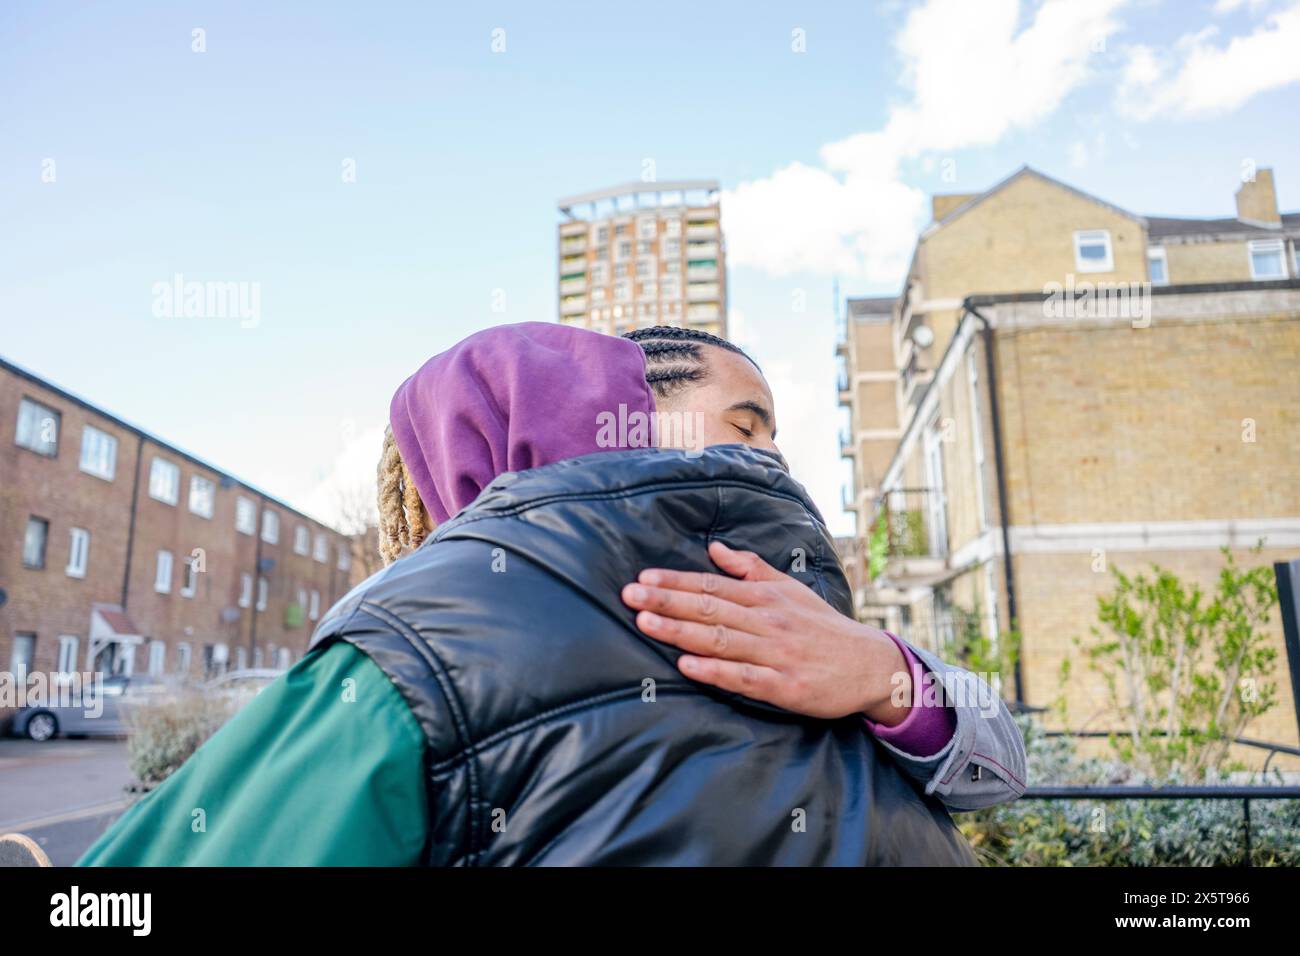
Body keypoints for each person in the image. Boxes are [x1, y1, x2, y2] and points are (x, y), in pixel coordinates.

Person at [79, 322, 1022, 867]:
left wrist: (886, 677)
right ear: (619, 415)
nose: (770, 456)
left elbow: (1002, 768)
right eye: (743, 422)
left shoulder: (797, 595)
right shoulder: (432, 641)